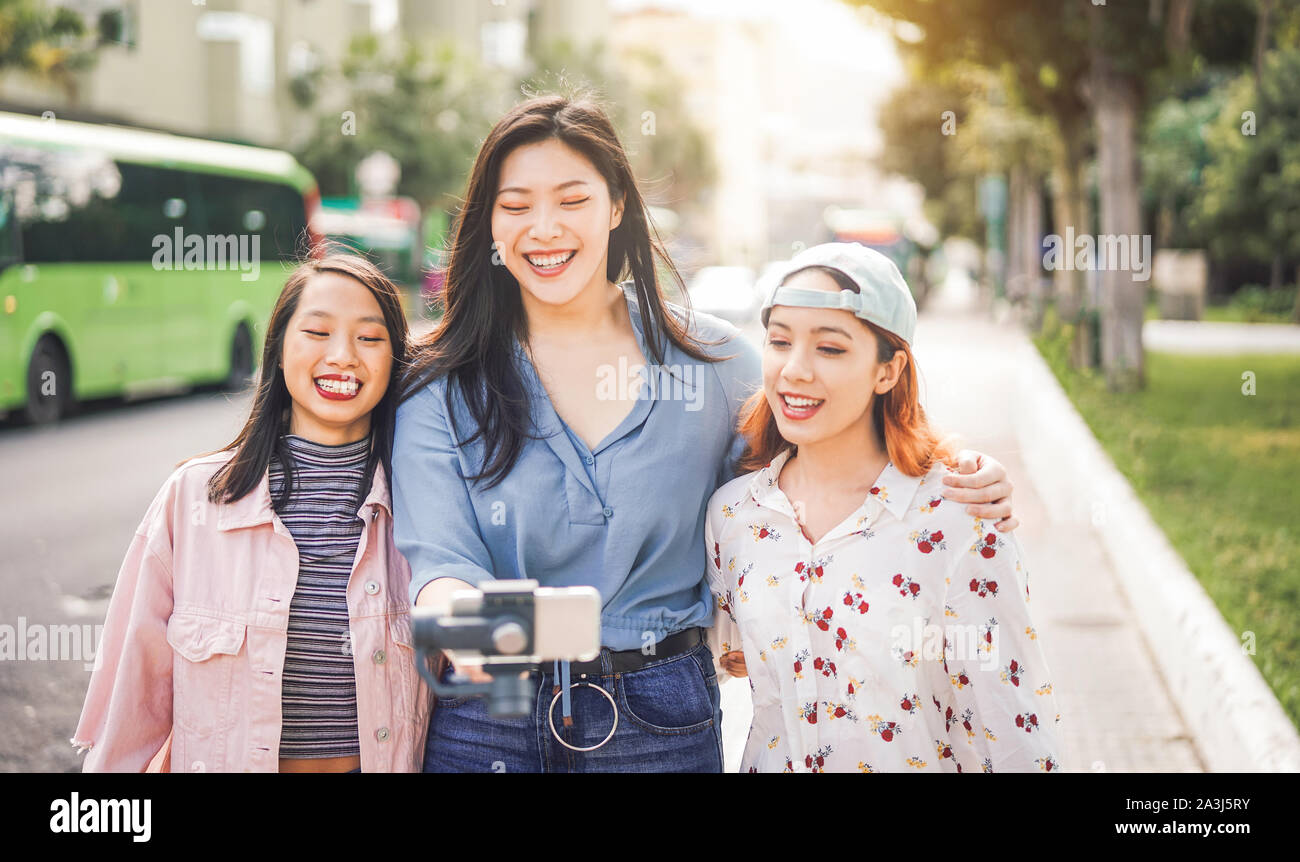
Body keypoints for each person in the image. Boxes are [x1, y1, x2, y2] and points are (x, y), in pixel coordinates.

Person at [394, 93, 1017, 773]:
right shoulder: (439, 383)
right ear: (488, 223)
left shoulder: (715, 366)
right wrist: (512, 626)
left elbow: (825, 472)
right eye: (516, 206)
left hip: (659, 717)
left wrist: (951, 472)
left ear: (618, 206)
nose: (544, 228)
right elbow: (439, 573)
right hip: (492, 718)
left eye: (572, 200)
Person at [705, 243, 1064, 773]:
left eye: (830, 349)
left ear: (888, 370)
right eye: (779, 342)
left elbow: (1013, 728)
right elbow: (725, 661)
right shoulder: (733, 516)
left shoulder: (958, 517)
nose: (794, 370)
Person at [72, 254, 431, 772]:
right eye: (317, 332)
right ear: (280, 352)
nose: (343, 355)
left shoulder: (426, 509)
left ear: (394, 360)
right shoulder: (193, 498)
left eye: (370, 339)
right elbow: (135, 694)